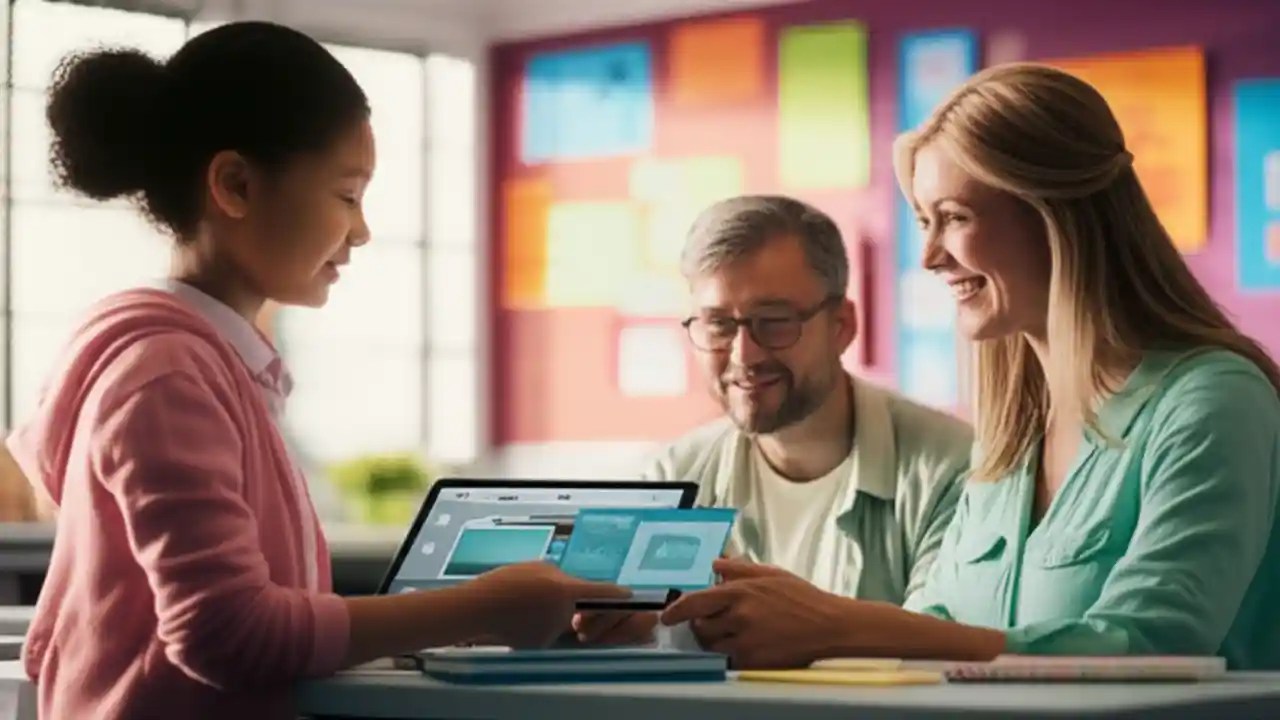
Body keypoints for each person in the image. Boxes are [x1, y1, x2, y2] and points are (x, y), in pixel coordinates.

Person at [6, 22, 628, 719]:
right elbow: (226, 634)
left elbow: (260, 623)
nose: (361, 230)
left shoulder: (207, 364)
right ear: (236, 185)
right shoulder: (168, 376)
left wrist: (488, 616)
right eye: (347, 194)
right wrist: (482, 606)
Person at [656, 62, 1280, 671]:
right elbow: (933, 629)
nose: (929, 256)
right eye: (924, 222)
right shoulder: (1011, 436)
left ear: (1054, 215)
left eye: (954, 218)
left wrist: (837, 623)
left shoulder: (1213, 401)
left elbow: (1153, 647)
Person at [575, 195, 973, 646]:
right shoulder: (673, 478)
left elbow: (941, 651)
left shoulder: (950, 471)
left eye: (775, 321)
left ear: (841, 326)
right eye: (719, 325)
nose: (745, 355)